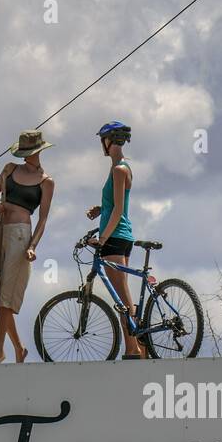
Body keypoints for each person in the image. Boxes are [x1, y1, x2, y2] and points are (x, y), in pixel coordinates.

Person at [0, 130, 55, 363]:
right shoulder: (9, 169)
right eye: (23, 152)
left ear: (39, 151)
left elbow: (43, 219)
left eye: (29, 152)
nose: (26, 156)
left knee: (7, 296)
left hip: (20, 236)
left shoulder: (46, 181)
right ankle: (18, 348)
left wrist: (33, 245)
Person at [86, 121, 146, 358]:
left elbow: (119, 209)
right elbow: (115, 204)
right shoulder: (122, 168)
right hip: (122, 235)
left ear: (108, 141)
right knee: (121, 295)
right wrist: (102, 209)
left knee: (122, 296)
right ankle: (134, 347)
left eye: (103, 140)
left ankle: (134, 349)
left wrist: (102, 238)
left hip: (115, 236)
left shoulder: (119, 170)